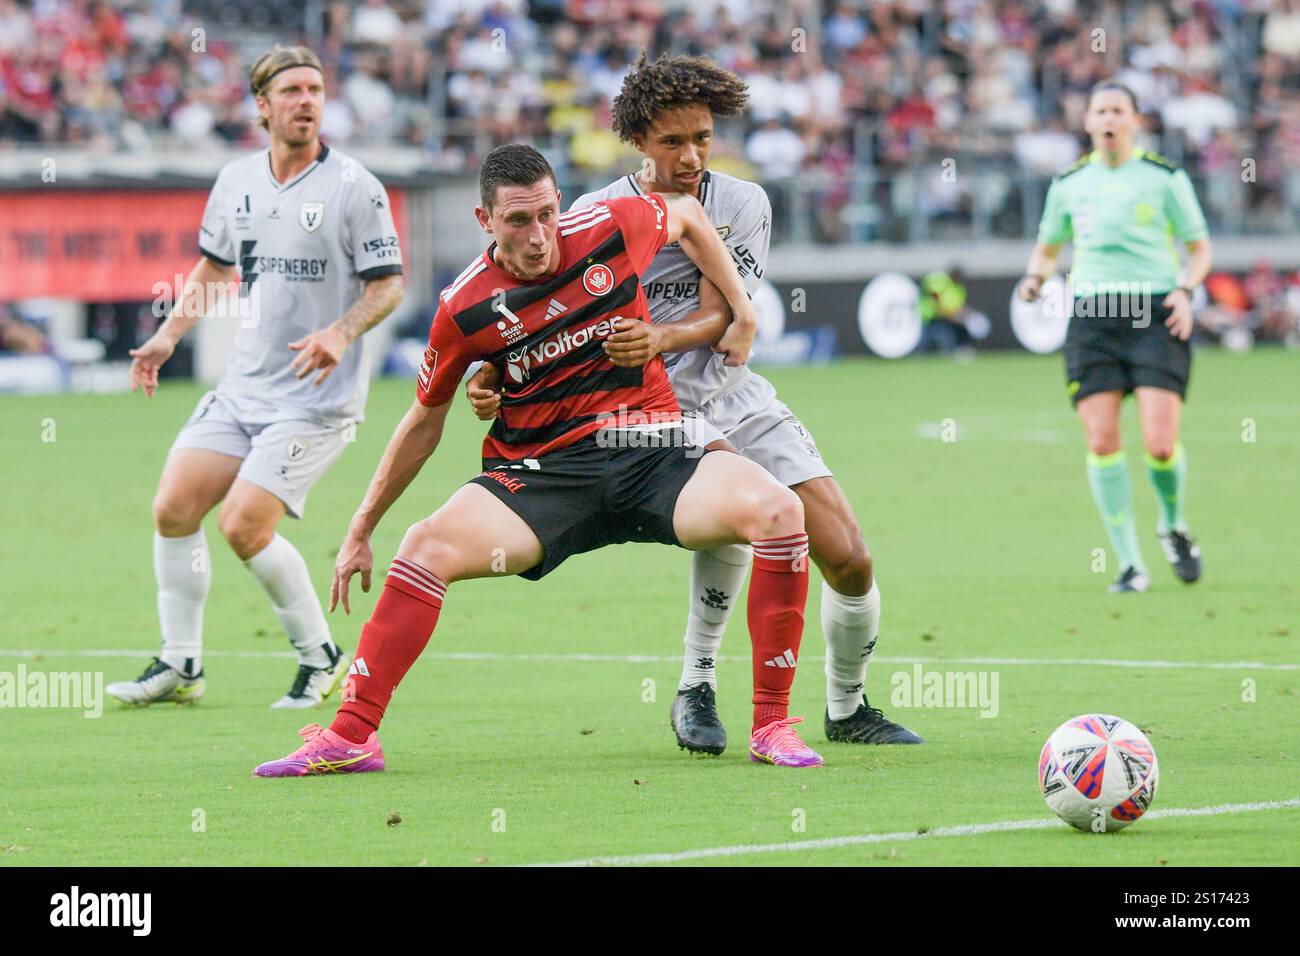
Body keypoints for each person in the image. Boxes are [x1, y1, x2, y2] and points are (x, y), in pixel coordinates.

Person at [253, 143, 826, 777]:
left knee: (779, 511)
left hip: (651, 446)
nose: (539, 236)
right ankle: (352, 736)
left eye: (547, 214)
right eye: (519, 222)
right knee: (423, 547)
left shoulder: (608, 225)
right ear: (485, 222)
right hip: (542, 477)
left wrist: (741, 310)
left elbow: (687, 213)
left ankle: (772, 724)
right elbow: (424, 420)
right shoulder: (463, 307)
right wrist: (362, 527)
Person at [468, 55, 921, 753]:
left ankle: (848, 706)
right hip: (647, 412)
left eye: (703, 139)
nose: (692, 156)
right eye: (674, 142)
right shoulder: (593, 215)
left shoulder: (742, 204)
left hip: (734, 394)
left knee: (851, 556)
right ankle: (697, 684)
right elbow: (532, 306)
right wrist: (494, 374)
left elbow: (722, 315)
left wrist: (661, 335)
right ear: (640, 139)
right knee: (745, 520)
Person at [106, 45, 404, 707]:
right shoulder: (236, 180)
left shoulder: (356, 186)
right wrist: (165, 338)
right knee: (174, 508)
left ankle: (319, 655)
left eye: (316, 90)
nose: (307, 102)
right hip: (245, 387)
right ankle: (181, 665)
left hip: (315, 402)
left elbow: (389, 286)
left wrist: (340, 332)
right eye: (292, 91)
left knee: (243, 524)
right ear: (261, 105)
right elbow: (215, 269)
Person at [1019, 81, 1212, 593]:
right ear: (1087, 122)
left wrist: (1186, 291)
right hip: (1094, 317)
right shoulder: (1068, 182)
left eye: (1118, 110)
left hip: (1154, 314)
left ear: (1135, 120)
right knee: (1102, 440)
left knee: (1160, 442)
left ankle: (1171, 524)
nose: (1108, 119)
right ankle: (1130, 565)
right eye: (1099, 110)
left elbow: (1199, 248)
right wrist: (1035, 278)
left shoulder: (1164, 178)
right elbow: (1047, 246)